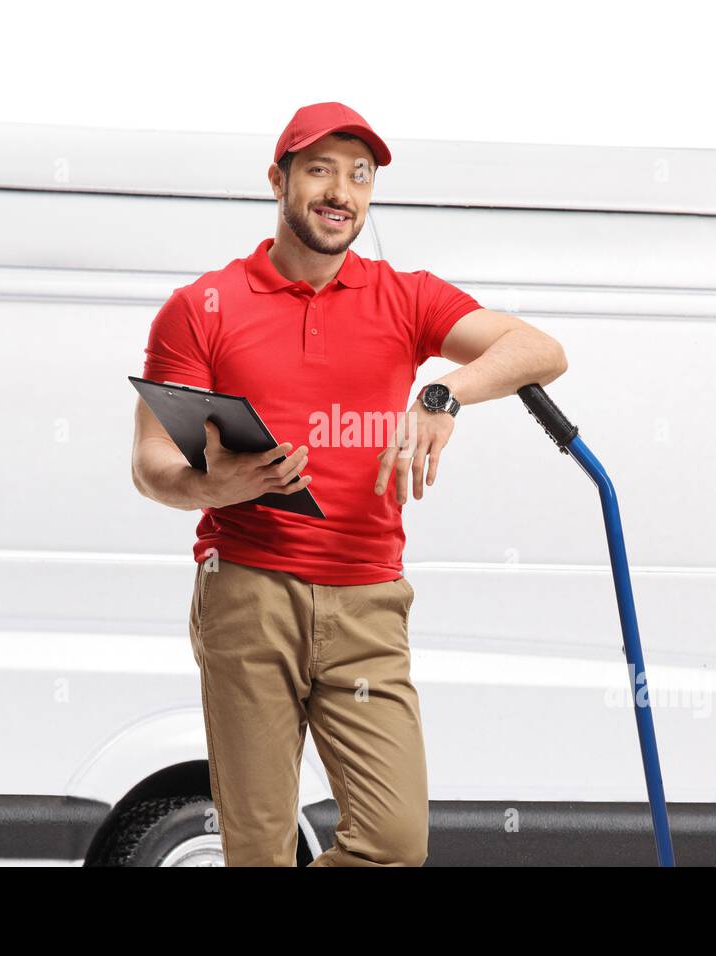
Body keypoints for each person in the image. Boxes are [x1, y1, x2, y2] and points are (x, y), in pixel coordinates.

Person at [130, 102, 567, 866]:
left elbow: (539, 349)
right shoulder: (202, 308)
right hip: (248, 593)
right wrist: (217, 485)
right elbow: (151, 465)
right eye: (321, 170)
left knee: (394, 842)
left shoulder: (406, 297)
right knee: (258, 847)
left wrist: (442, 395)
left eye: (359, 175)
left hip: (368, 600)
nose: (342, 192)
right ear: (279, 179)